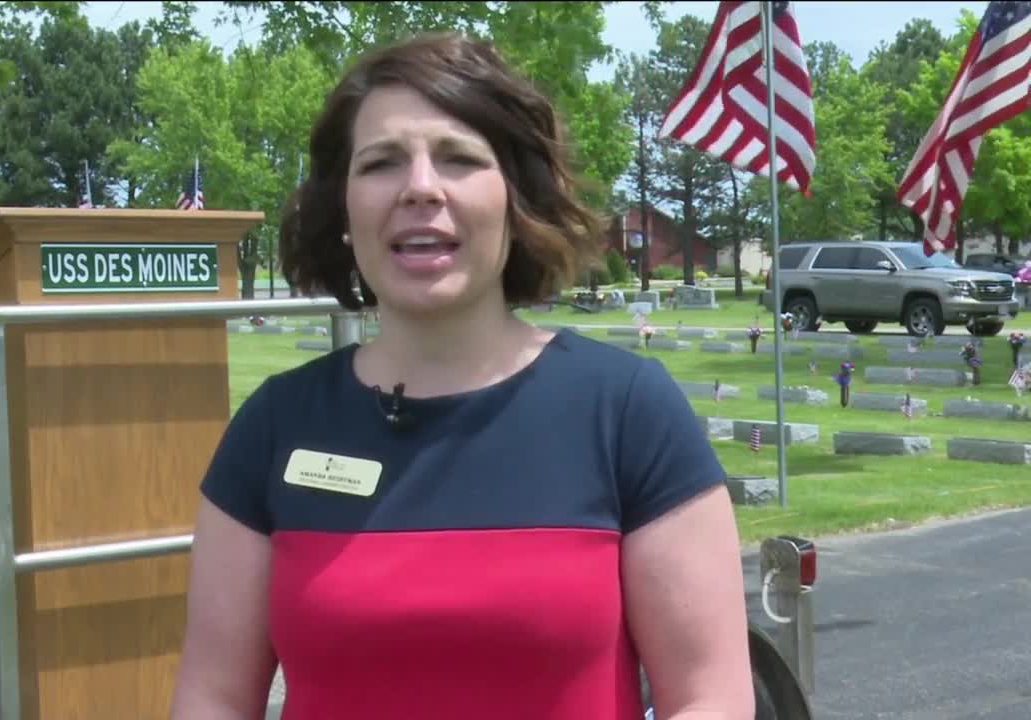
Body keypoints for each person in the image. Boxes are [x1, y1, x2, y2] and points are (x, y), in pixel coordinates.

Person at [171, 32, 753, 720]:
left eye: (459, 158)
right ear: (344, 212)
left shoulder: (627, 413)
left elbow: (710, 698)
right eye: (382, 162)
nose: (421, 188)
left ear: (516, 201)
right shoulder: (275, 426)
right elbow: (212, 700)